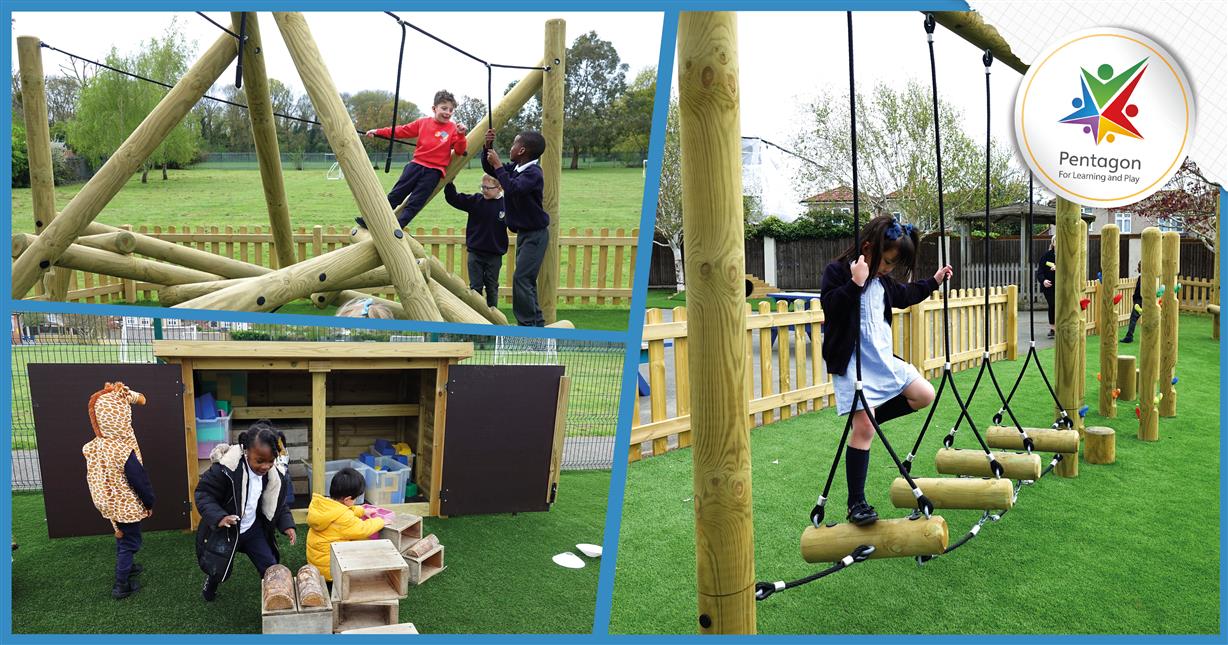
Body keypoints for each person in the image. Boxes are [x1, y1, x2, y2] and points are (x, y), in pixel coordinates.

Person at [820, 215, 953, 526]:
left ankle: (869, 419)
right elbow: (831, 307)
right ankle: (856, 503)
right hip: (854, 364)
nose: (889, 269)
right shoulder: (838, 272)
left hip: (882, 360)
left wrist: (933, 282)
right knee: (864, 430)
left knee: (924, 394)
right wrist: (855, 283)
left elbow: (907, 296)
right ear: (867, 248)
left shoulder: (883, 282)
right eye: (889, 262)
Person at [195, 421, 296, 602]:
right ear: (246, 451)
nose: (265, 466)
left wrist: (287, 524)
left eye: (271, 461)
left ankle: (276, 598)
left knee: (270, 565)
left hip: (251, 529)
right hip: (227, 529)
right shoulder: (226, 469)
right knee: (217, 566)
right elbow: (203, 494)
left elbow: (277, 503)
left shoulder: (272, 476)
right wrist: (219, 517)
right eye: (260, 460)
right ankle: (211, 584)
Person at [82, 382, 154, 599]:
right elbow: (139, 480)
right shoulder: (123, 450)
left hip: (108, 502)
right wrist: (149, 501)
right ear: (122, 417)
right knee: (130, 542)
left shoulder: (95, 445)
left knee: (122, 536)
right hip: (126, 505)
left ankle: (128, 566)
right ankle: (121, 585)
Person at [359, 90, 469, 229]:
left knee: (416, 201)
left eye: (451, 110)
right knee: (396, 195)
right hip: (415, 166)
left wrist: (460, 135)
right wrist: (378, 132)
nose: (447, 112)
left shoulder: (453, 129)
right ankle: (371, 220)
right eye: (444, 108)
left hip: (434, 172)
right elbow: (401, 130)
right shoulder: (423, 122)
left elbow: (459, 151)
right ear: (434, 108)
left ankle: (398, 226)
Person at [482, 129, 550, 326]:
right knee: (525, 280)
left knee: (522, 279)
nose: (510, 148)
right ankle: (536, 323)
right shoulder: (517, 169)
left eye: (513, 144)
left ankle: (528, 325)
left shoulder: (533, 173)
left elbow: (513, 189)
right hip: (525, 235)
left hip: (535, 236)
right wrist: (488, 147)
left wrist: (498, 164)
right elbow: (492, 170)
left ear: (521, 151)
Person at [305, 467, 386, 583]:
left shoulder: (325, 505)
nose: (356, 501)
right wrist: (380, 521)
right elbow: (362, 529)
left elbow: (342, 510)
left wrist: (362, 511)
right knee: (365, 544)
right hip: (331, 570)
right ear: (348, 499)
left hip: (317, 564)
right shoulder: (343, 517)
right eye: (355, 499)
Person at [444, 176, 509, 307]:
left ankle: (492, 316)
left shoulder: (507, 205)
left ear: (499, 188)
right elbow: (454, 199)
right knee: (475, 287)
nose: (484, 190)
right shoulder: (475, 201)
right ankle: (477, 315)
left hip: (494, 255)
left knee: (492, 286)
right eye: (482, 187)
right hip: (475, 253)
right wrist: (449, 183)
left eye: (488, 188)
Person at [1037, 239, 1057, 338]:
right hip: (1049, 286)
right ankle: (1053, 329)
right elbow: (1040, 271)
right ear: (1053, 243)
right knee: (1052, 305)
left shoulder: (1066, 255)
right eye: (1056, 240)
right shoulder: (1046, 256)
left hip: (1063, 286)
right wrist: (1043, 281)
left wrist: (1059, 268)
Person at [1121, 260, 1144, 343]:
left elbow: (1139, 290)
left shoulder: (1142, 278)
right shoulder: (1144, 277)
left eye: (1139, 266)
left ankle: (1129, 336)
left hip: (1140, 300)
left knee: (1133, 318)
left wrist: (1135, 299)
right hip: (1141, 300)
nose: (1138, 268)